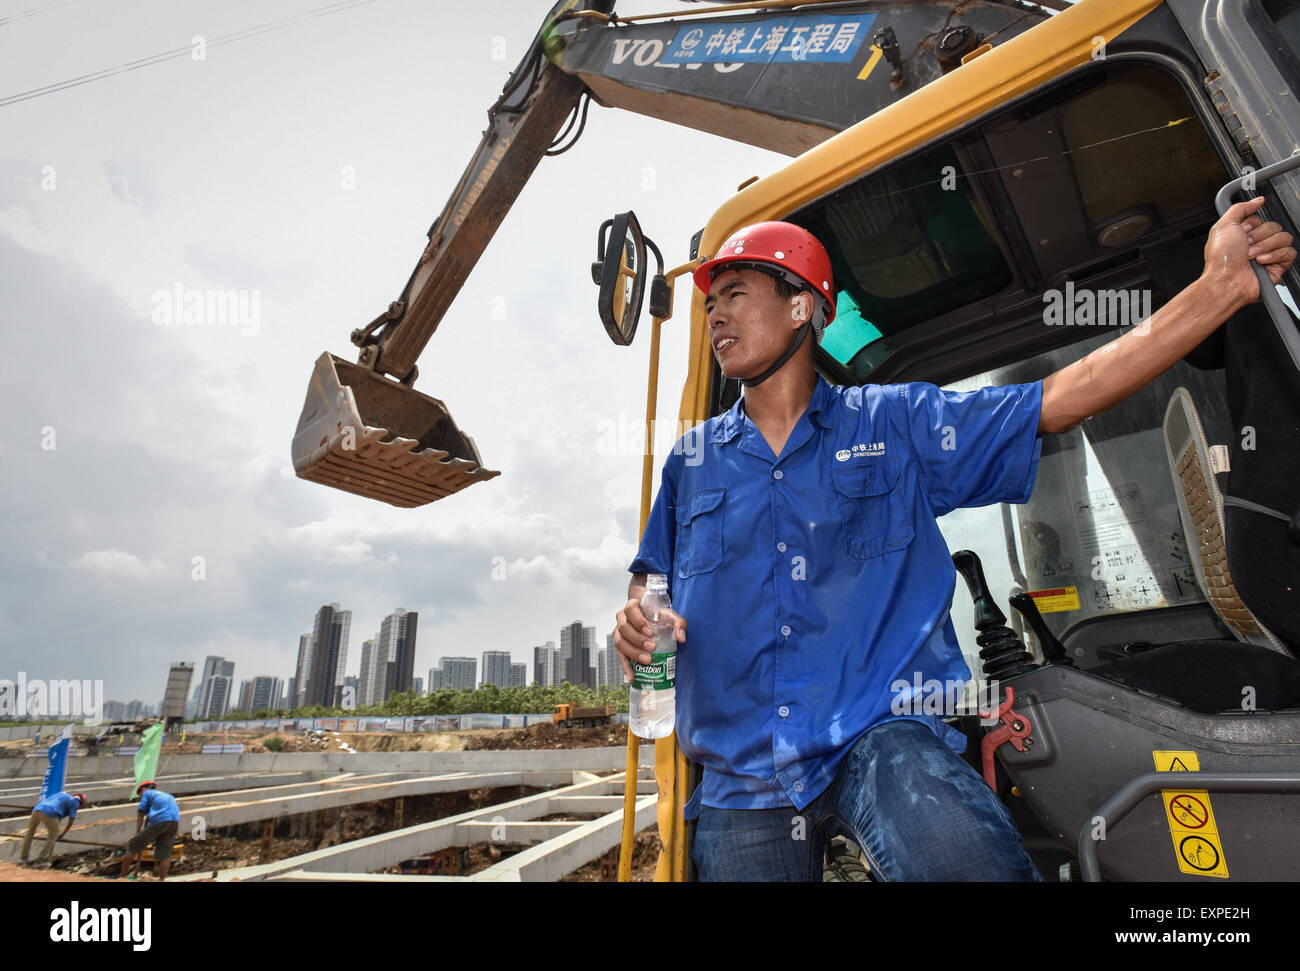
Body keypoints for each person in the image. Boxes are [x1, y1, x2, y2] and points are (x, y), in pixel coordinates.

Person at [614, 201, 1295, 882]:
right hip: (742, 770)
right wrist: (642, 619)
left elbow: (1058, 396)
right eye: (709, 305)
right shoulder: (691, 462)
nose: (715, 316)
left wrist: (1219, 288)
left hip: (880, 735)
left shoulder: (897, 422)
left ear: (802, 308)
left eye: (735, 294)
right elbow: (652, 581)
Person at [119, 780, 181, 880]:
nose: (140, 797)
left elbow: (141, 814)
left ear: (143, 789)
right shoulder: (167, 795)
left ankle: (122, 877)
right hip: (174, 822)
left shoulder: (146, 794)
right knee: (165, 855)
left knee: (132, 846)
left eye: (139, 794)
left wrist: (137, 834)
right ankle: (162, 879)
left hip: (160, 820)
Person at [19, 791, 87, 867]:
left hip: (37, 809)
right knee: (54, 834)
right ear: (81, 803)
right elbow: (71, 821)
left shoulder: (62, 794)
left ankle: (23, 859)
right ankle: (40, 860)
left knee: (30, 833)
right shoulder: (75, 803)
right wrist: (63, 834)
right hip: (50, 812)